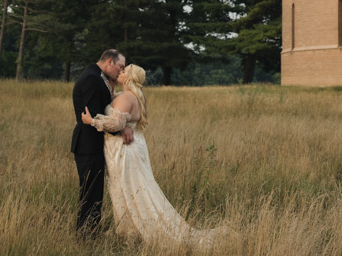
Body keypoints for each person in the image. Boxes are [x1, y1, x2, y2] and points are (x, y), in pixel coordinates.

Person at [82, 64, 226, 245]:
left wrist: (92, 121)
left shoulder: (126, 97)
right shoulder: (131, 96)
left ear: (130, 78)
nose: (121, 71)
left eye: (124, 71)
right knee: (131, 189)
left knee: (129, 189)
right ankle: (131, 231)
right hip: (131, 146)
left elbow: (115, 124)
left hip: (124, 150)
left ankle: (135, 232)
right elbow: (120, 118)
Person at [71, 49, 133, 232]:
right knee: (90, 192)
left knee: (94, 192)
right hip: (88, 144)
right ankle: (87, 235)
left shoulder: (98, 76)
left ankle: (91, 232)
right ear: (110, 62)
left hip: (92, 144)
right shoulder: (92, 78)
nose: (120, 71)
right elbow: (94, 114)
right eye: (120, 67)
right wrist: (122, 127)